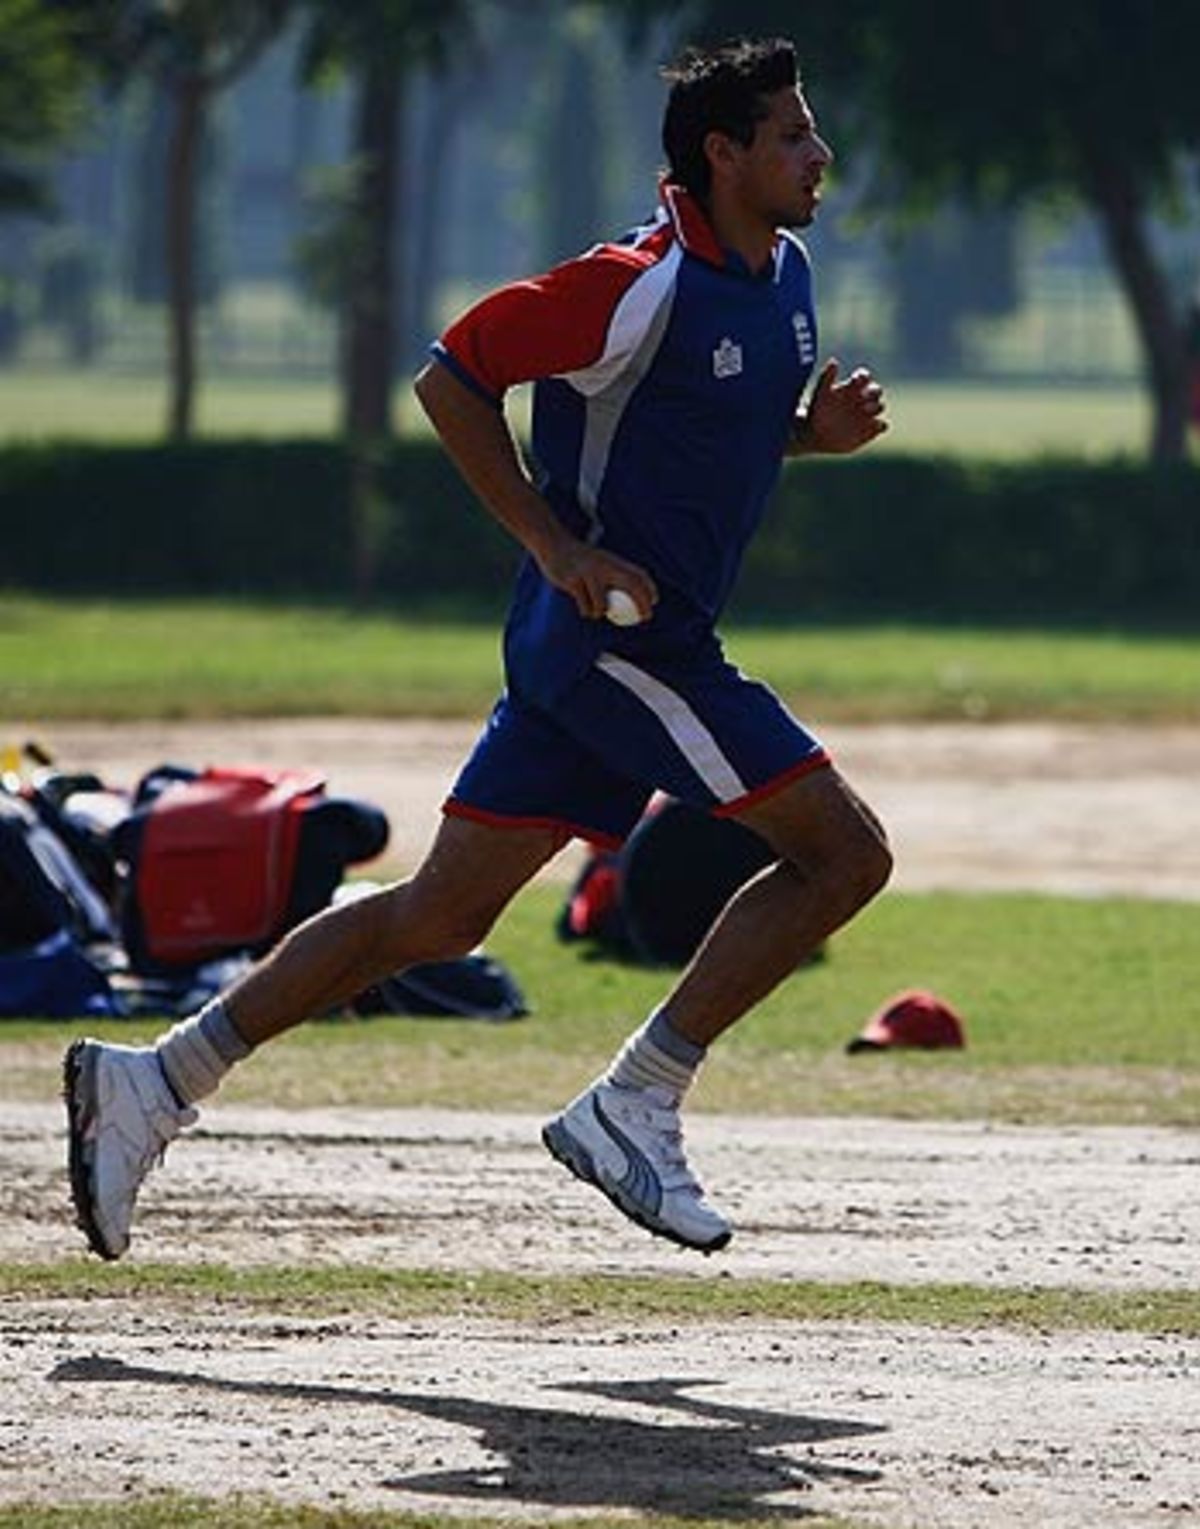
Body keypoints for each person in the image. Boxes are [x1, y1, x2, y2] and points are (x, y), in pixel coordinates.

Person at [64, 35, 891, 1261]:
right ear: (723, 156)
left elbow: (706, 432)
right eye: (790, 135)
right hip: (624, 647)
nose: (819, 153)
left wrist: (807, 436)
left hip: (602, 652)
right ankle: (637, 1097)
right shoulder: (631, 281)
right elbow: (452, 377)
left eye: (810, 131)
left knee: (435, 920)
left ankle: (157, 1078)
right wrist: (560, 549)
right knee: (843, 855)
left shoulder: (782, 270)